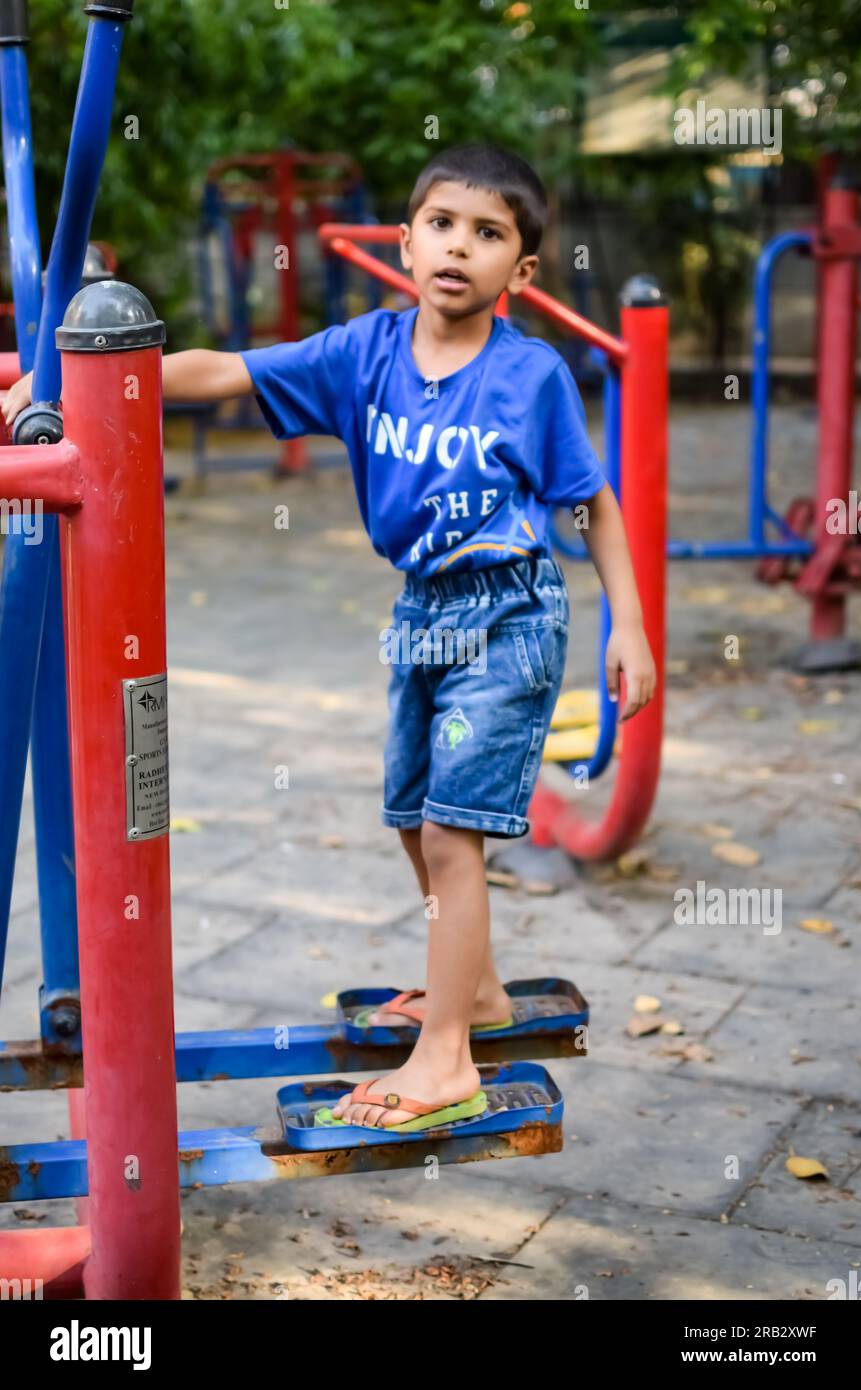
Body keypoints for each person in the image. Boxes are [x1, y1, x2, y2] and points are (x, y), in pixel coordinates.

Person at [3, 142, 657, 1134]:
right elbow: (223, 369)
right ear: (404, 240)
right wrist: (90, 376)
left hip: (511, 611)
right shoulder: (365, 352)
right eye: (441, 224)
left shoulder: (530, 379)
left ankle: (444, 1059)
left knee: (451, 830)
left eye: (487, 235)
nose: (457, 248)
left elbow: (593, 504)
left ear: (520, 273)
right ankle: (472, 994)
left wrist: (631, 629)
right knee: (408, 814)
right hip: (421, 612)